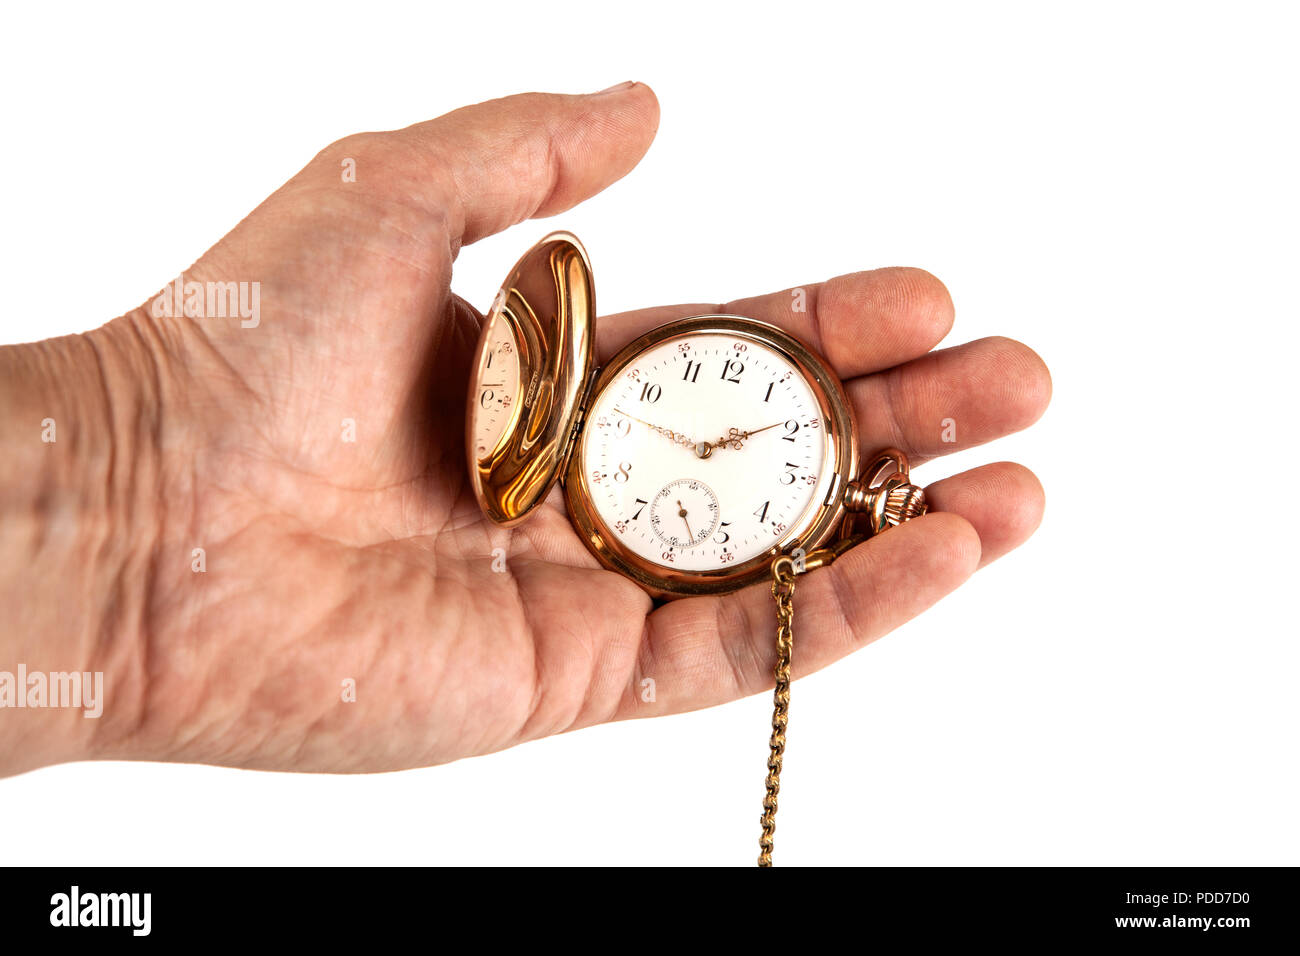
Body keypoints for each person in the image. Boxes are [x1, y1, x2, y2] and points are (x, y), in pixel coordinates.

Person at [0, 82, 1050, 778]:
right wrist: (138, 437)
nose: (704, 443)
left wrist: (132, 486)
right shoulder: (609, 460)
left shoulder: (728, 457)